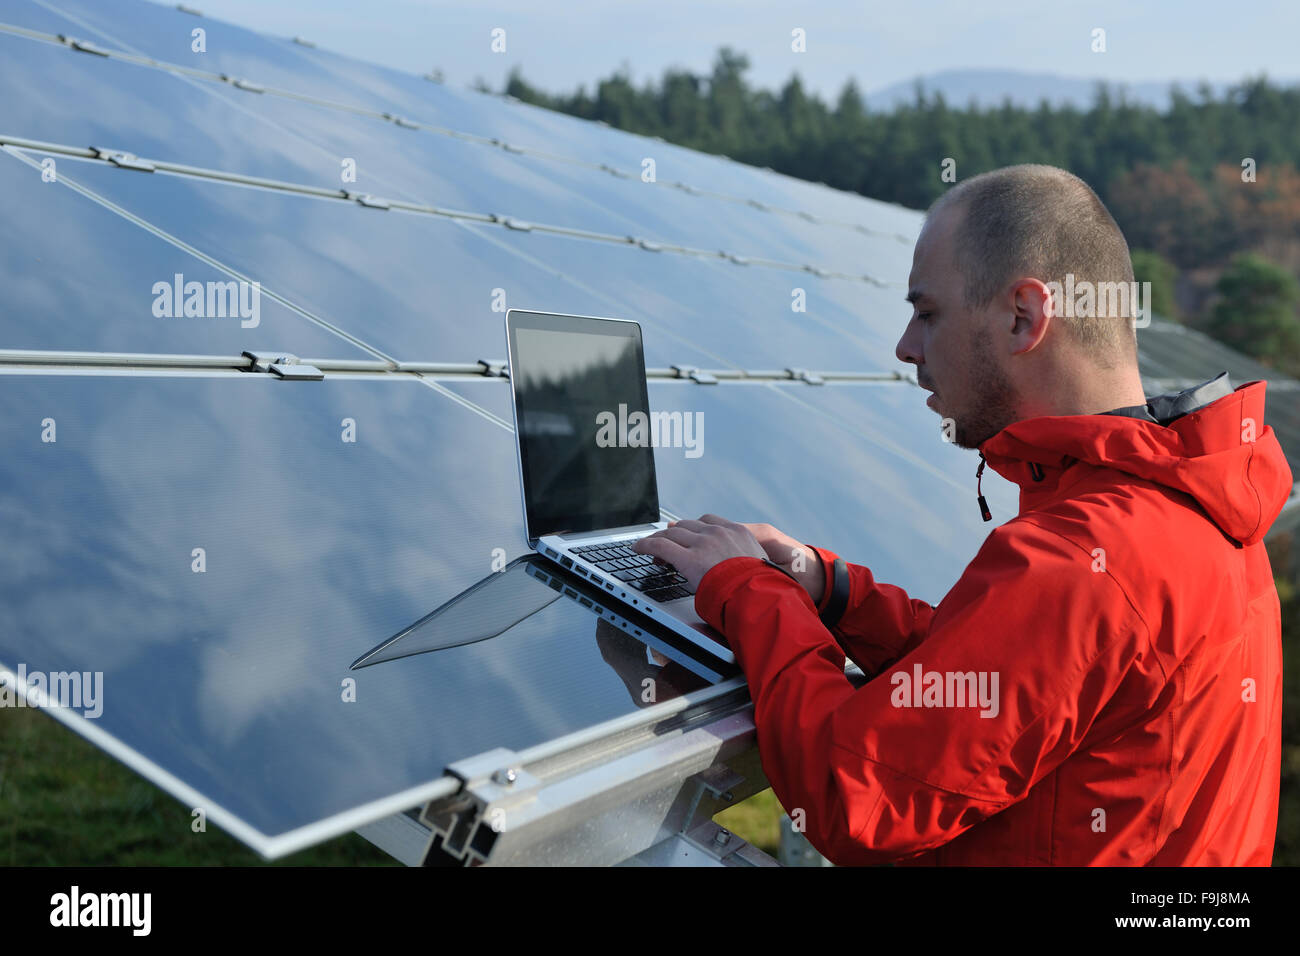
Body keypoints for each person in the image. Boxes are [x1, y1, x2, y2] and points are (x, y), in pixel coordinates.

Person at [633, 164, 1293, 865]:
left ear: (1023, 317)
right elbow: (1008, 687)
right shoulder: (1187, 504)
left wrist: (744, 587)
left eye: (928, 313)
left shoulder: (1086, 556)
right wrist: (836, 592)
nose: (906, 348)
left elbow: (852, 796)